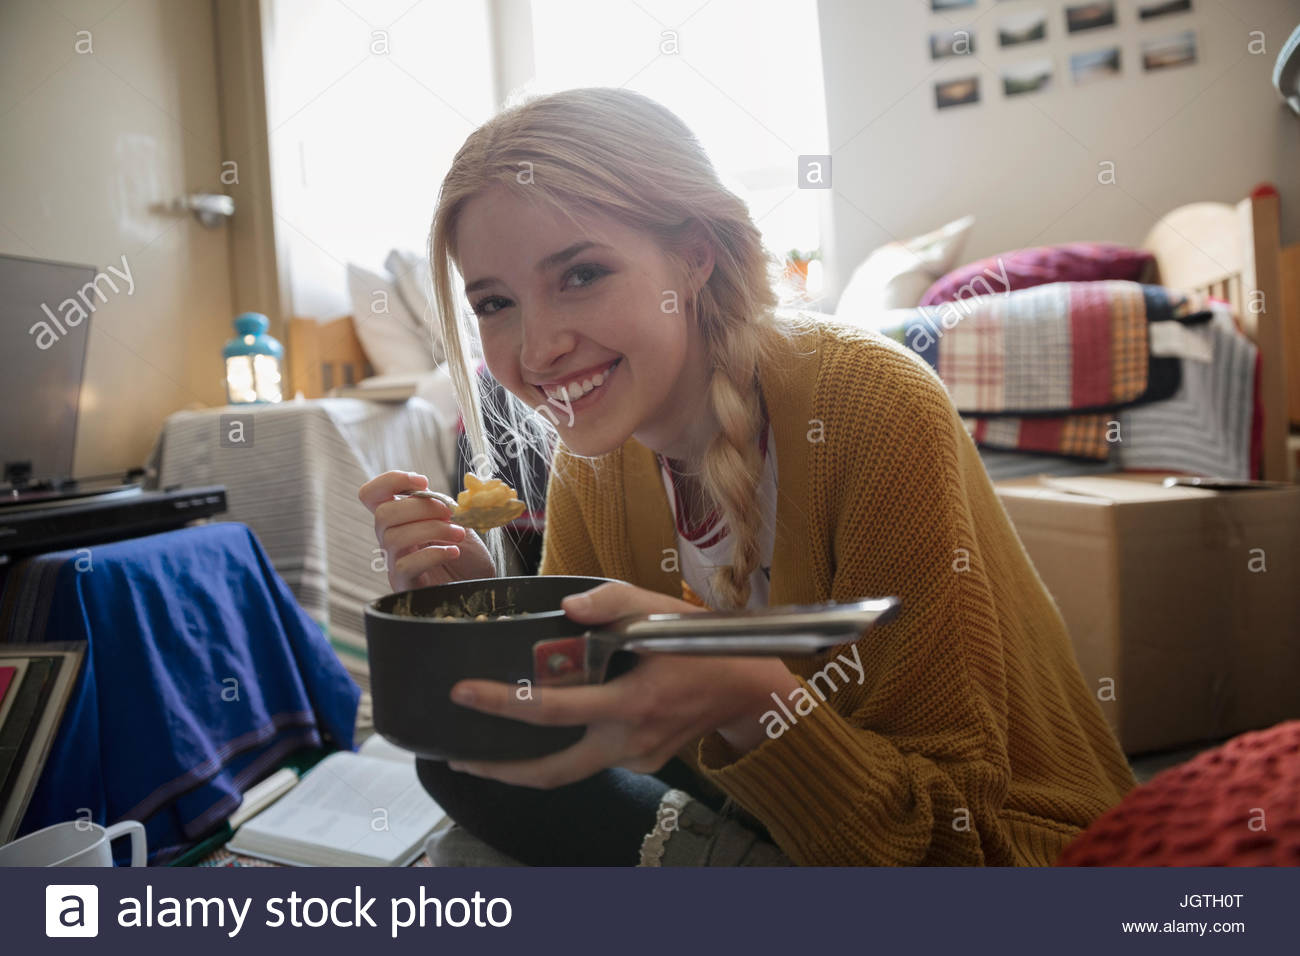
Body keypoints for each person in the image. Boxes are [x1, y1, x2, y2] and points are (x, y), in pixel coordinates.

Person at [358, 87, 1136, 866]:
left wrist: (754, 696)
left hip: (988, 846)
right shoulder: (593, 465)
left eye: (582, 274)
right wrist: (474, 614)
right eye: (495, 302)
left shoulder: (871, 404)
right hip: (759, 804)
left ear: (694, 255)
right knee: (462, 755)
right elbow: (580, 706)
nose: (535, 351)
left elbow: (950, 841)